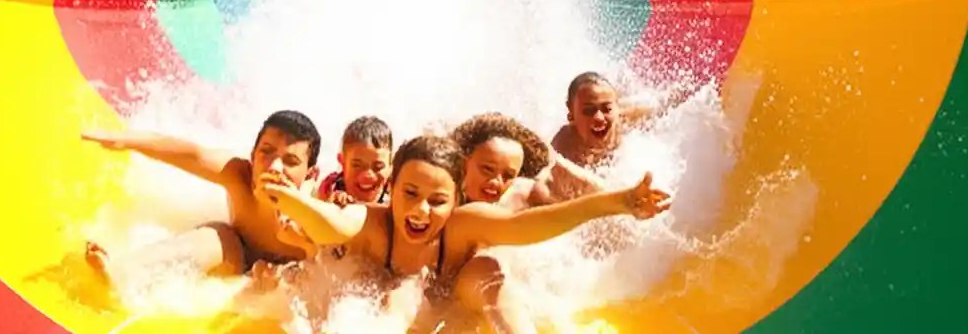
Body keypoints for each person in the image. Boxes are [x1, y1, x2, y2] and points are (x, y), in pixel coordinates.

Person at [262, 135, 669, 334]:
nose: (421, 210)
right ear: (393, 188)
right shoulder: (372, 220)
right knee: (393, 296)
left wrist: (615, 203)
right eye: (410, 194)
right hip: (402, 295)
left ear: (456, 198)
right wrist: (288, 198)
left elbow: (529, 228)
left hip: (458, 287)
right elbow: (329, 224)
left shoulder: (465, 223)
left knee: (489, 273)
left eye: (437, 200)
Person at [80, 109, 322, 283]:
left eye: (291, 161)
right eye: (266, 153)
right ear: (252, 154)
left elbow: (331, 267)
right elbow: (191, 154)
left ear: (311, 173)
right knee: (218, 235)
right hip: (236, 257)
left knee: (298, 279)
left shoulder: (316, 208)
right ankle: (124, 273)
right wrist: (128, 140)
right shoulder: (239, 174)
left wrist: (289, 266)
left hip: (286, 279)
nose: (274, 167)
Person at [450, 113, 604, 211]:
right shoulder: (438, 197)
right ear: (463, 162)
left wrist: (553, 160)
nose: (496, 182)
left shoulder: (519, 197)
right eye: (487, 169)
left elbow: (602, 194)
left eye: (508, 175)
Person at [551, 72, 661, 168]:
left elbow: (661, 109)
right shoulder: (563, 145)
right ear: (571, 115)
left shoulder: (621, 123)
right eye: (589, 110)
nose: (599, 118)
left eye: (607, 109)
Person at [317, 116, 393, 206]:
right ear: (342, 162)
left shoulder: (397, 200)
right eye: (357, 165)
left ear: (391, 166)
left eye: (378, 167)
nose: (368, 176)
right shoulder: (328, 195)